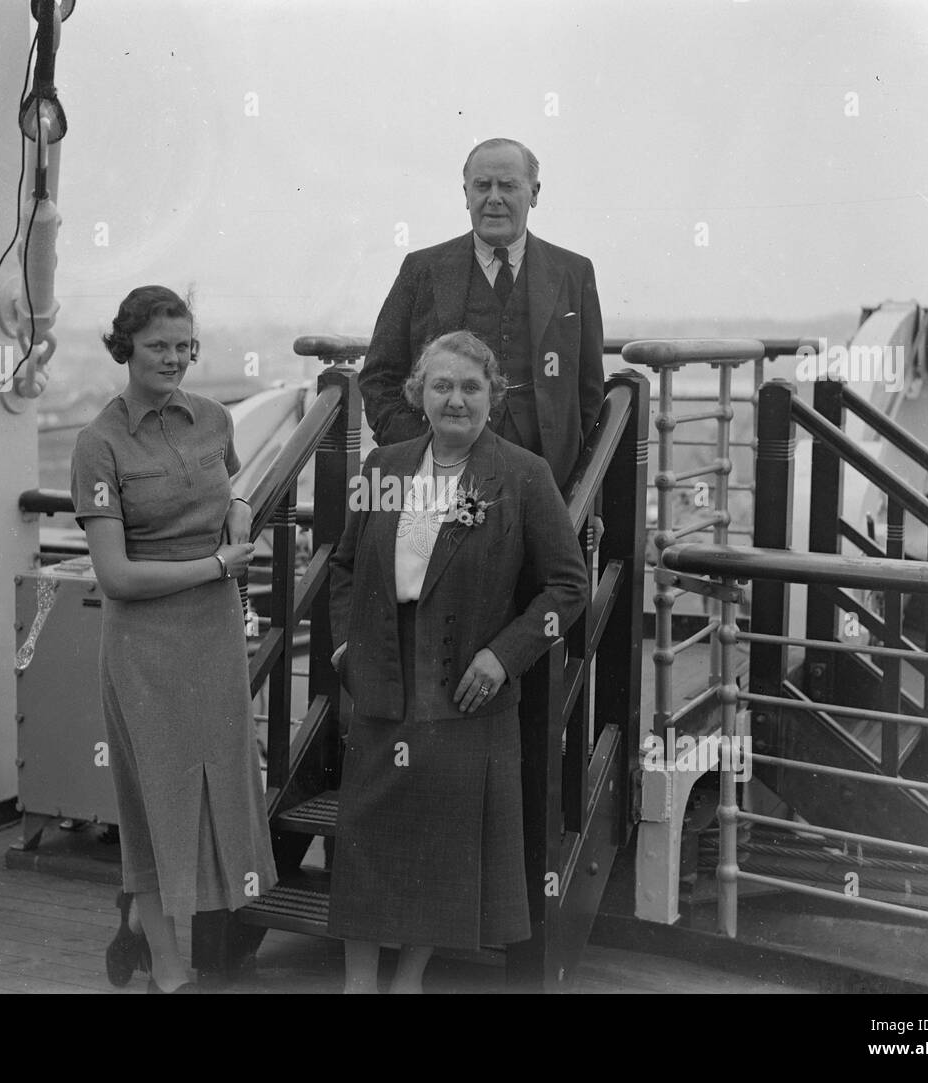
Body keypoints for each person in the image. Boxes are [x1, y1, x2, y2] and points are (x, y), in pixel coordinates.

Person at [327, 330, 589, 993]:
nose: (456, 398)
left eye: (471, 386)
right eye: (441, 384)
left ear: (493, 397)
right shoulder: (383, 467)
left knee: (440, 840)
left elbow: (570, 586)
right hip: (385, 668)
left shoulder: (523, 477)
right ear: (418, 393)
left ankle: (408, 977)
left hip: (466, 686)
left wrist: (505, 657)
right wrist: (342, 647)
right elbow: (344, 565)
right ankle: (359, 981)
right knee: (367, 830)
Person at [70, 285, 277, 993]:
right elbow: (116, 575)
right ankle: (167, 965)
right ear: (124, 346)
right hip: (146, 647)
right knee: (156, 797)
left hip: (212, 639)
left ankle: (136, 915)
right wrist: (218, 564)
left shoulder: (214, 418)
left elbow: (232, 490)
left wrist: (241, 512)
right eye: (158, 345)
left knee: (213, 790)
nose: (174, 358)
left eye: (184, 345)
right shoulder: (99, 443)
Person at [359, 138, 605, 489]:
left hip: (546, 476)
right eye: (482, 186)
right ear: (466, 194)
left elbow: (589, 390)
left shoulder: (573, 272)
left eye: (508, 186)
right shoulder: (422, 269)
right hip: (441, 472)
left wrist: (582, 488)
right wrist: (420, 447)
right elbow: (379, 377)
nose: (494, 198)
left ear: (534, 192)